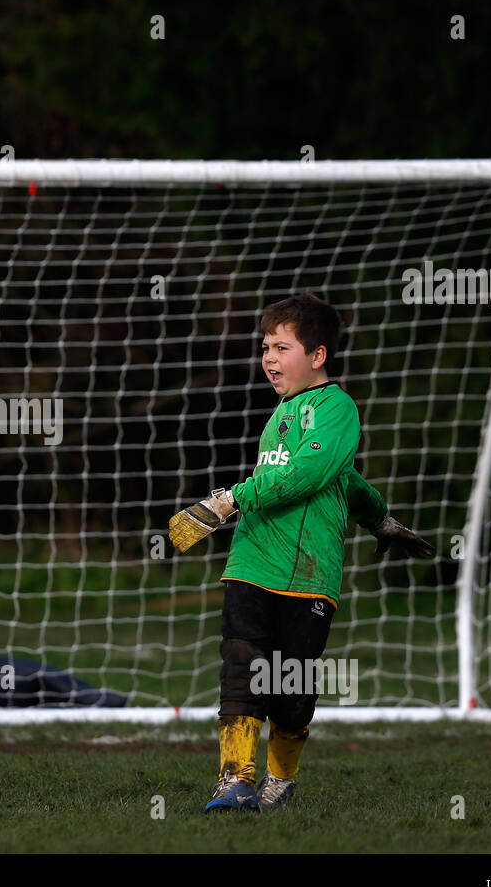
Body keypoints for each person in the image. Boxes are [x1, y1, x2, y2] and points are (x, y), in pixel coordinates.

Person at [168, 291, 434, 812]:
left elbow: (322, 476)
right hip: (251, 561)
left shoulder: (336, 408)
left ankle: (279, 780)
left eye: (282, 347)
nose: (268, 357)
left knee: (292, 691)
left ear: (317, 356)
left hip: (310, 575)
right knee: (240, 666)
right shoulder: (281, 414)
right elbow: (338, 480)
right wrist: (379, 517)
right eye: (265, 346)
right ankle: (235, 778)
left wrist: (229, 500)